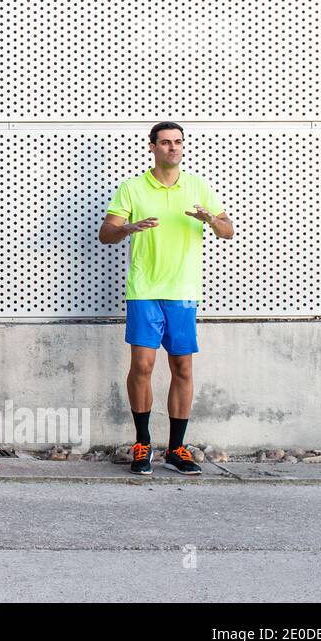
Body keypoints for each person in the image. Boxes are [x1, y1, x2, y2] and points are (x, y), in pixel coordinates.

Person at [100, 122, 234, 476]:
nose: (173, 148)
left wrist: (210, 219)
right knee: (142, 366)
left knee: (183, 368)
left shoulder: (197, 186)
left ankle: (176, 449)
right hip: (144, 290)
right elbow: (106, 233)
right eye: (165, 142)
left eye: (178, 142)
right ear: (152, 147)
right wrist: (127, 228)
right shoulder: (132, 188)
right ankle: (142, 443)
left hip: (184, 292)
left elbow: (227, 231)